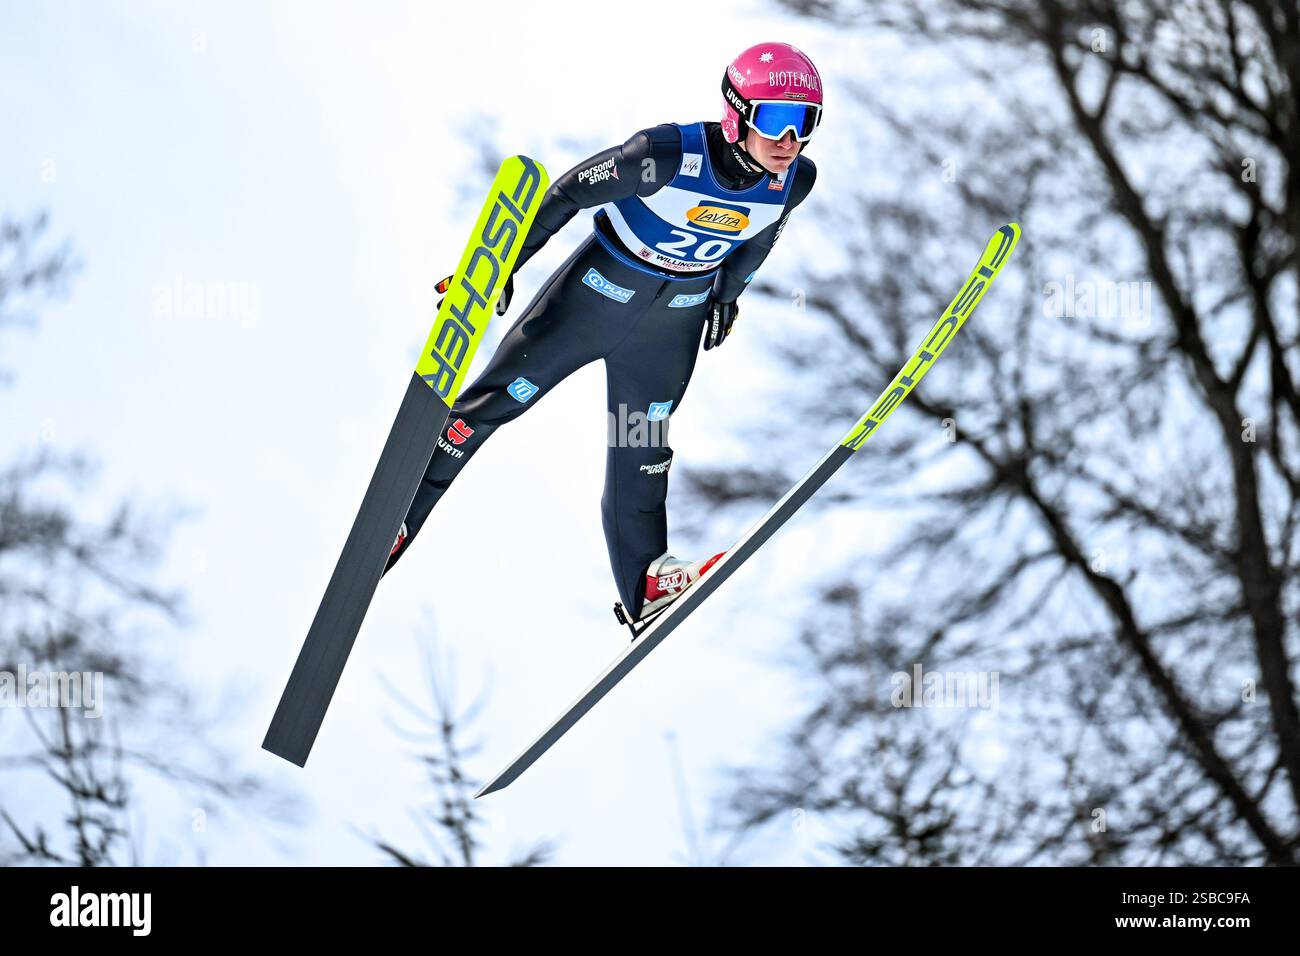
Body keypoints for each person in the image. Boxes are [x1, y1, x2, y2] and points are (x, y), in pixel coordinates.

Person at [386, 42, 822, 625]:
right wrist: (505, 263)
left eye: (805, 123)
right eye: (775, 119)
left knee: (642, 448)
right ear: (735, 112)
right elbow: (568, 192)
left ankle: (645, 584)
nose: (789, 139)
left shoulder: (793, 180)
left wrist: (726, 297)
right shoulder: (664, 155)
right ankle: (398, 518)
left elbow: (759, 240)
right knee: (492, 406)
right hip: (596, 296)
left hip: (673, 325)